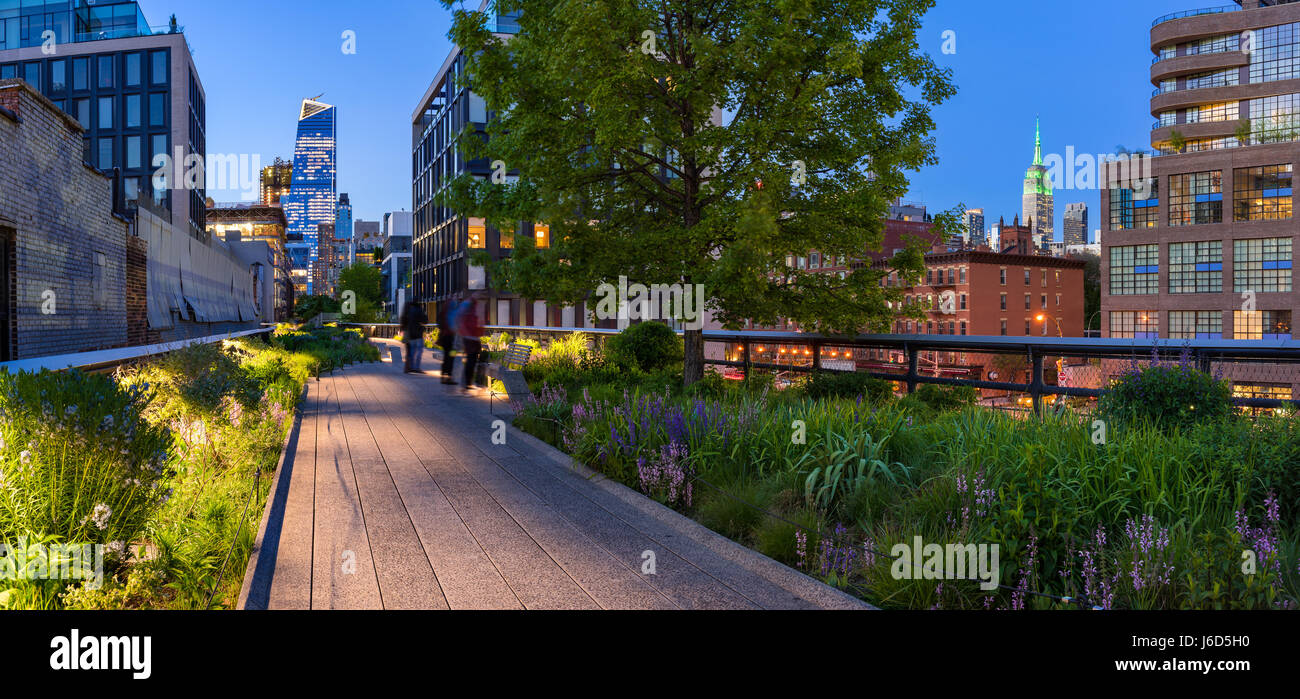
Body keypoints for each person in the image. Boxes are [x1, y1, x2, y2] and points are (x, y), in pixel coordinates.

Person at [456, 292, 486, 392]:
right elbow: (462, 320)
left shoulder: (473, 304)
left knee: (472, 359)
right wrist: (466, 333)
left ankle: (467, 383)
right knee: (471, 360)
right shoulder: (468, 304)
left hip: (472, 337)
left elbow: (478, 320)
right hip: (469, 337)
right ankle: (466, 383)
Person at [400, 301, 428, 374]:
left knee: (410, 351)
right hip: (415, 334)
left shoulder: (406, 314)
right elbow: (425, 320)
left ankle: (409, 367)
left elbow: (403, 325)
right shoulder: (417, 311)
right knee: (416, 351)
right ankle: (413, 367)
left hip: (409, 334)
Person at [436, 299, 458, 385]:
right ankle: (448, 377)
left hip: (445, 338)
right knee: (450, 357)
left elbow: (439, 323)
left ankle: (444, 376)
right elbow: (454, 325)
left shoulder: (443, 312)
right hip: (450, 338)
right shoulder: (451, 313)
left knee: (446, 357)